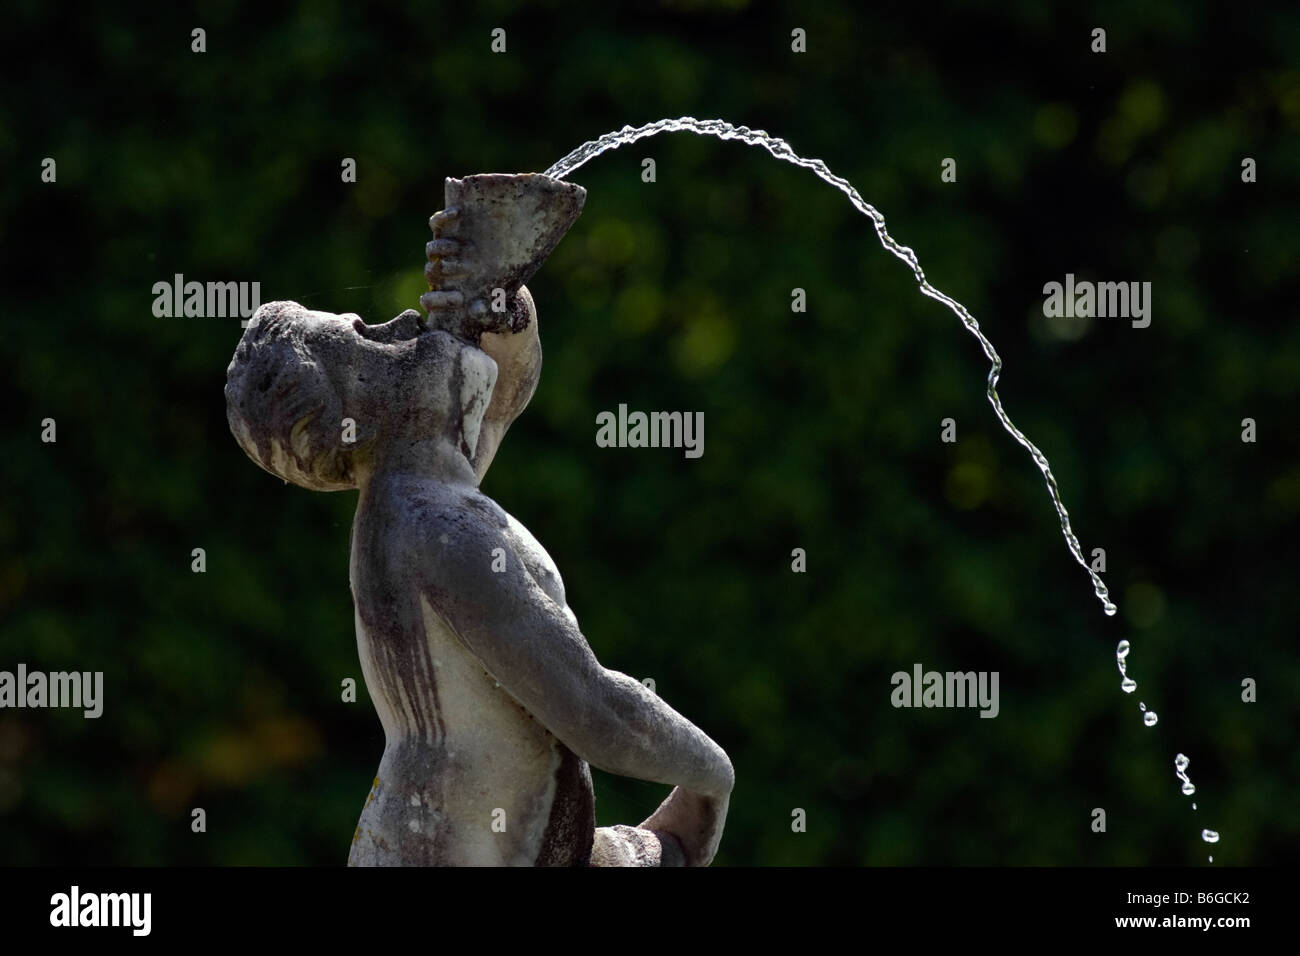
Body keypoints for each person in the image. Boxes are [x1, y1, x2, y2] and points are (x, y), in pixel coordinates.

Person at [223, 206, 733, 866]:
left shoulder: (418, 487)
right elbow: (594, 710)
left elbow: (499, 398)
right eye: (365, 333)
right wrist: (711, 776)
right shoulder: (436, 528)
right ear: (346, 411)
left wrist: (510, 319)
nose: (400, 321)